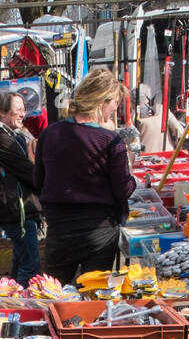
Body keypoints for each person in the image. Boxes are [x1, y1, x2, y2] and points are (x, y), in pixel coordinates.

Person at [33, 68, 136, 283]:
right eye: (114, 103)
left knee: (53, 295)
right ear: (101, 101)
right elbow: (123, 190)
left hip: (59, 228)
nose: (114, 110)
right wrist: (130, 167)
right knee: (94, 298)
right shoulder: (110, 141)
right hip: (98, 231)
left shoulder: (49, 134)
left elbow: (38, 182)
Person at [0, 91, 41, 286]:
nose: (23, 114)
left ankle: (10, 302)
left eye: (24, 109)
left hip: (17, 207)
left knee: (21, 261)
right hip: (17, 210)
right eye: (18, 110)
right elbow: (26, 170)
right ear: (2, 112)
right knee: (31, 267)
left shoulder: (9, 135)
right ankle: (23, 306)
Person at [136, 82, 184, 153]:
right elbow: (180, 131)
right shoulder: (162, 109)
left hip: (146, 158)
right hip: (168, 156)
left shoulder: (136, 113)